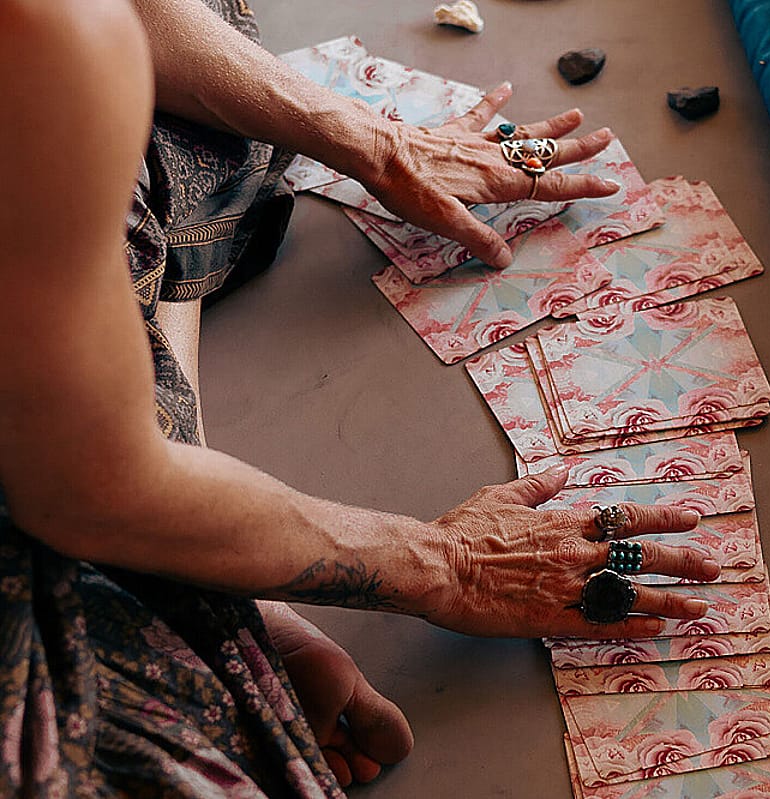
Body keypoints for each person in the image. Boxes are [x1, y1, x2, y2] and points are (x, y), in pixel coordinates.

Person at [0, 0, 721, 795]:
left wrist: (382, 147)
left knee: (210, 101)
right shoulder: (52, 49)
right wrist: (448, 565)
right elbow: (94, 494)